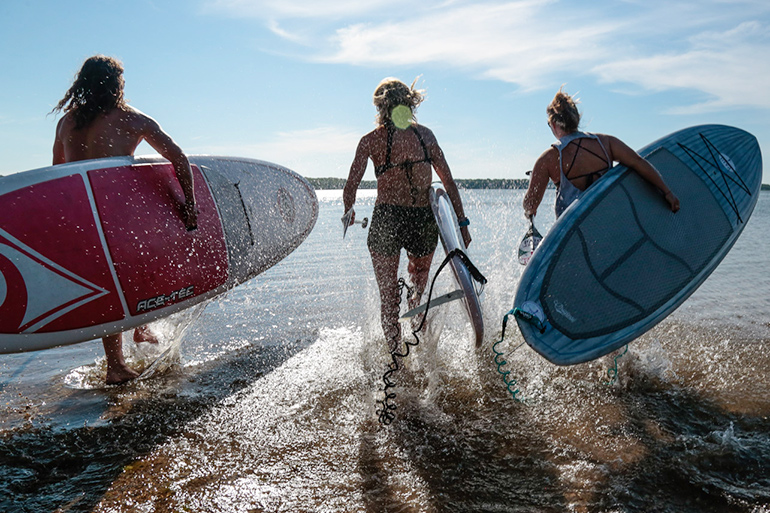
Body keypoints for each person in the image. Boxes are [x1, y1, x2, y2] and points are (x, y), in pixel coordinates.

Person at [51, 55, 197, 385]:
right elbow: (179, 157)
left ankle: (138, 329)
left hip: (81, 218)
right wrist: (189, 204)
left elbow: (58, 174)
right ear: (117, 85)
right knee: (133, 269)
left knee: (111, 281)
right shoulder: (133, 120)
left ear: (83, 84)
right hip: (117, 216)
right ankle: (116, 365)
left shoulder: (66, 123)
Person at [343, 78, 471, 353]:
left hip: (387, 220)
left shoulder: (370, 141)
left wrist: (348, 211)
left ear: (380, 107)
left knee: (389, 298)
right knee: (417, 293)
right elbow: (448, 183)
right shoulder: (426, 136)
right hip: (421, 220)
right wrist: (462, 224)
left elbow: (350, 187)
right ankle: (422, 352)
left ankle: (396, 361)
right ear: (410, 103)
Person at [523, 88, 680, 219]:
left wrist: (530, 200)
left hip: (574, 235)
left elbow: (530, 205)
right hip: (609, 222)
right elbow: (638, 163)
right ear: (576, 119)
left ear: (554, 124)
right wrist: (667, 192)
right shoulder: (606, 143)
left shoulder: (549, 158)